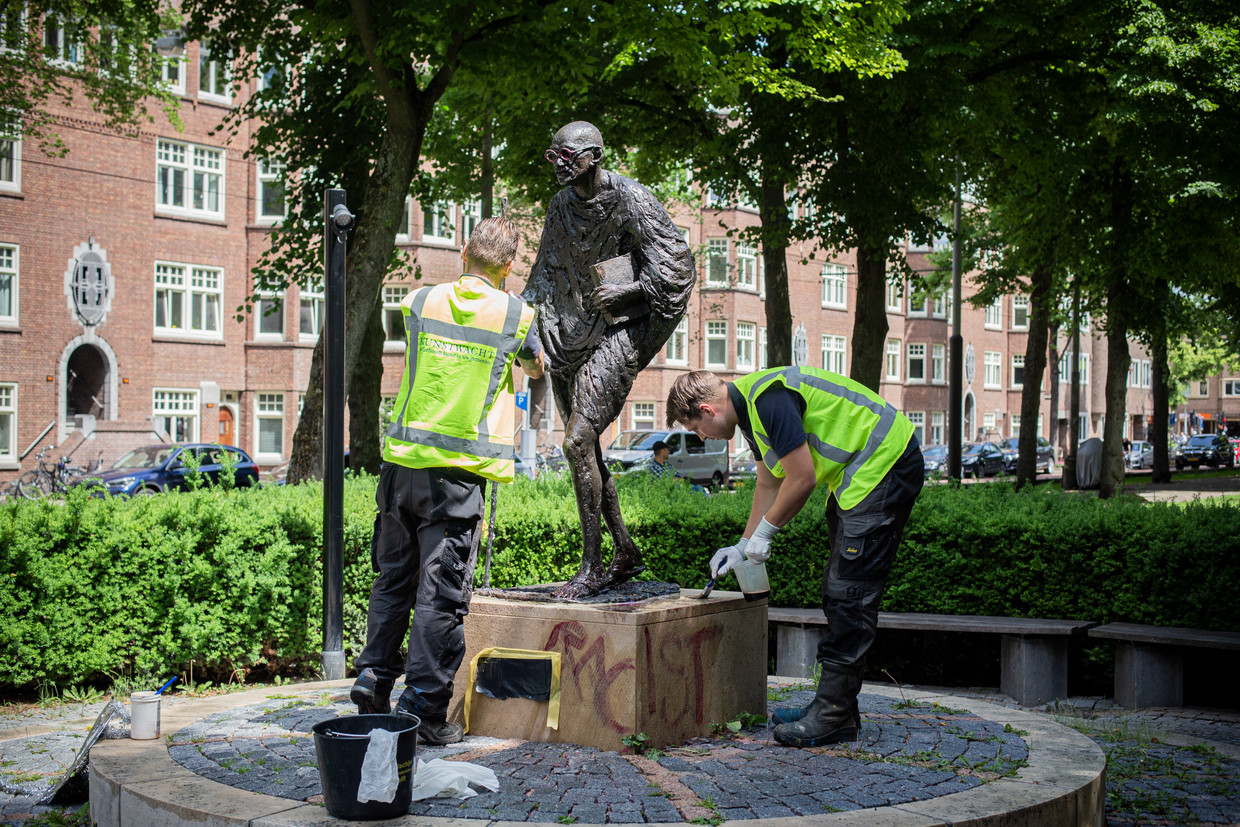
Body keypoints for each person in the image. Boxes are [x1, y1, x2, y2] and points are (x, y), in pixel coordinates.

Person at [350, 216, 544, 745]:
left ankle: (372, 681)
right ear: (509, 267)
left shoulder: (420, 301)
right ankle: (423, 709)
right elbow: (536, 367)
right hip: (454, 480)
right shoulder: (515, 314)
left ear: (463, 252)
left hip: (400, 469)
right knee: (440, 595)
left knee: (392, 581)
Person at [666, 366, 923, 748]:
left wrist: (766, 532)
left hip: (885, 464)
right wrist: (743, 544)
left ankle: (834, 715)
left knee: (848, 594)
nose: (701, 437)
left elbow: (802, 479)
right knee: (839, 591)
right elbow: (769, 483)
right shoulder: (750, 411)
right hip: (862, 476)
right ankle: (835, 706)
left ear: (706, 410)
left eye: (695, 429)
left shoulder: (768, 401)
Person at [523, 121, 695, 598]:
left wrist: (631, 291)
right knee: (589, 450)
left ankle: (591, 568)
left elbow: (678, 265)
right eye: (552, 155)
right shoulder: (559, 207)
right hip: (572, 329)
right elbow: (544, 272)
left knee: (577, 441)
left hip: (623, 329)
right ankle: (625, 550)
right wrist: (521, 322)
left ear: (594, 156)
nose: (558, 164)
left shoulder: (631, 199)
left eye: (568, 155)